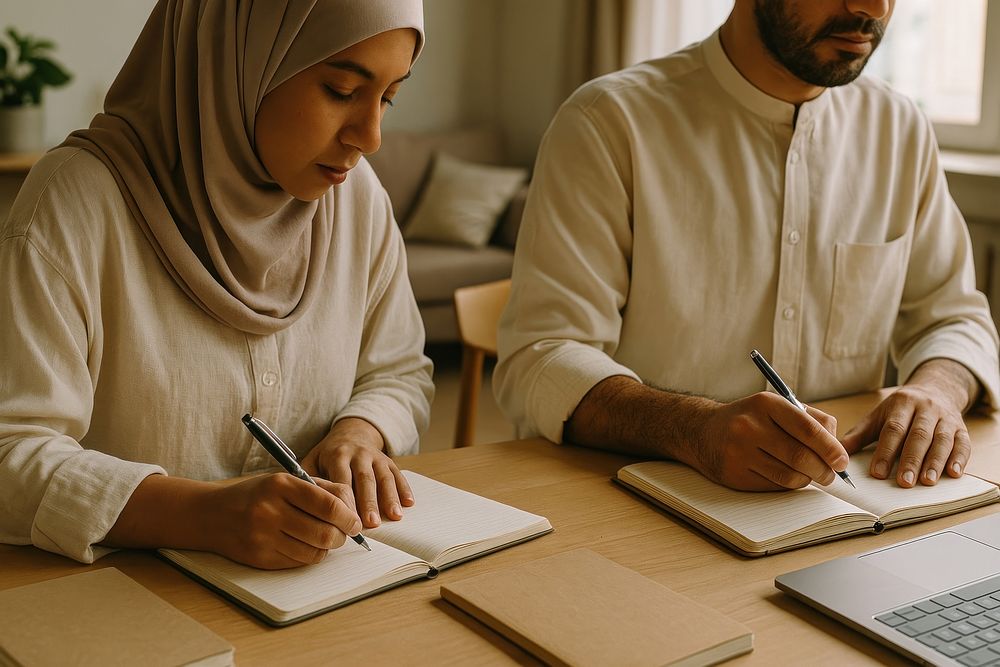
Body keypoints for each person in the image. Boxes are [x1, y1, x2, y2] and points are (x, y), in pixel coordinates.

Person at [495, 0, 1000, 493]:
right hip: (631, 500)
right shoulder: (608, 122)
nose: (876, 8)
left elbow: (953, 317)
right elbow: (542, 356)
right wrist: (693, 428)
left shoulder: (900, 129)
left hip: (848, 503)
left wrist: (938, 390)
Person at [0, 0, 433, 569]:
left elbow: (399, 370)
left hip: (316, 603)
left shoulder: (355, 197)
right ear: (242, 61)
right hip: (128, 608)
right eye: (341, 91)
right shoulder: (76, 203)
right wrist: (203, 515)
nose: (371, 136)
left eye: (388, 97)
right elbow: (11, 451)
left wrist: (361, 432)